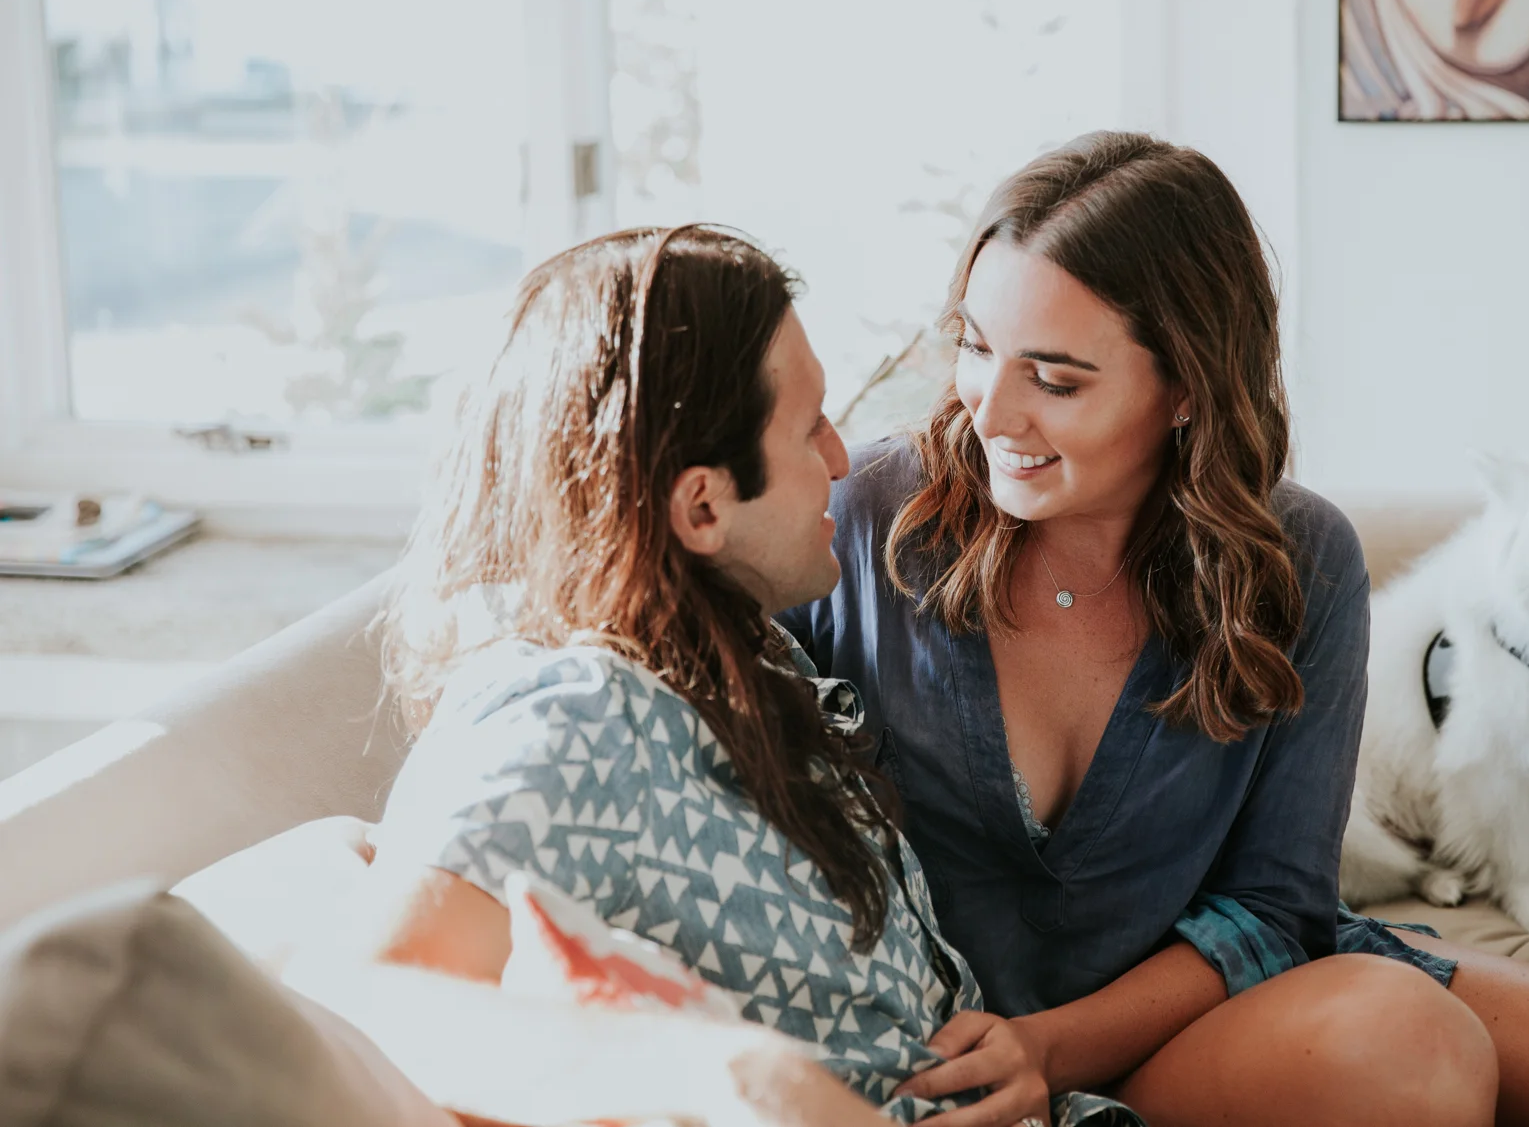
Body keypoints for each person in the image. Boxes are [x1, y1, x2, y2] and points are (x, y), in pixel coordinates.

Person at [782, 131, 1529, 1127]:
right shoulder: (861, 515)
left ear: (1188, 388)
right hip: (954, 1038)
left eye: (1054, 378)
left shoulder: (1296, 558)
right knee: (1409, 1052)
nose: (991, 409)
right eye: (974, 347)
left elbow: (1270, 904)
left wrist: (1049, 1049)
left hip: (1200, 1006)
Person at [303, 225, 1136, 1124]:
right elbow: (377, 1002)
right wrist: (729, 1078)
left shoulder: (733, 650)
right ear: (703, 505)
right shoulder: (576, 718)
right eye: (809, 427)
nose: (841, 460)